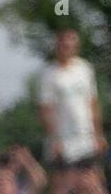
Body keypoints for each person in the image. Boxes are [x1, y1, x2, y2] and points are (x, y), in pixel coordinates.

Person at [39, 28, 105, 167]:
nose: (67, 48)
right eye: (63, 45)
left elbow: (92, 102)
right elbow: (46, 110)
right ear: (57, 46)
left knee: (91, 179)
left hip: (86, 137)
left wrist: (98, 135)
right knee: (64, 181)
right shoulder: (49, 73)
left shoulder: (85, 69)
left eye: (70, 45)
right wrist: (54, 140)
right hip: (63, 139)